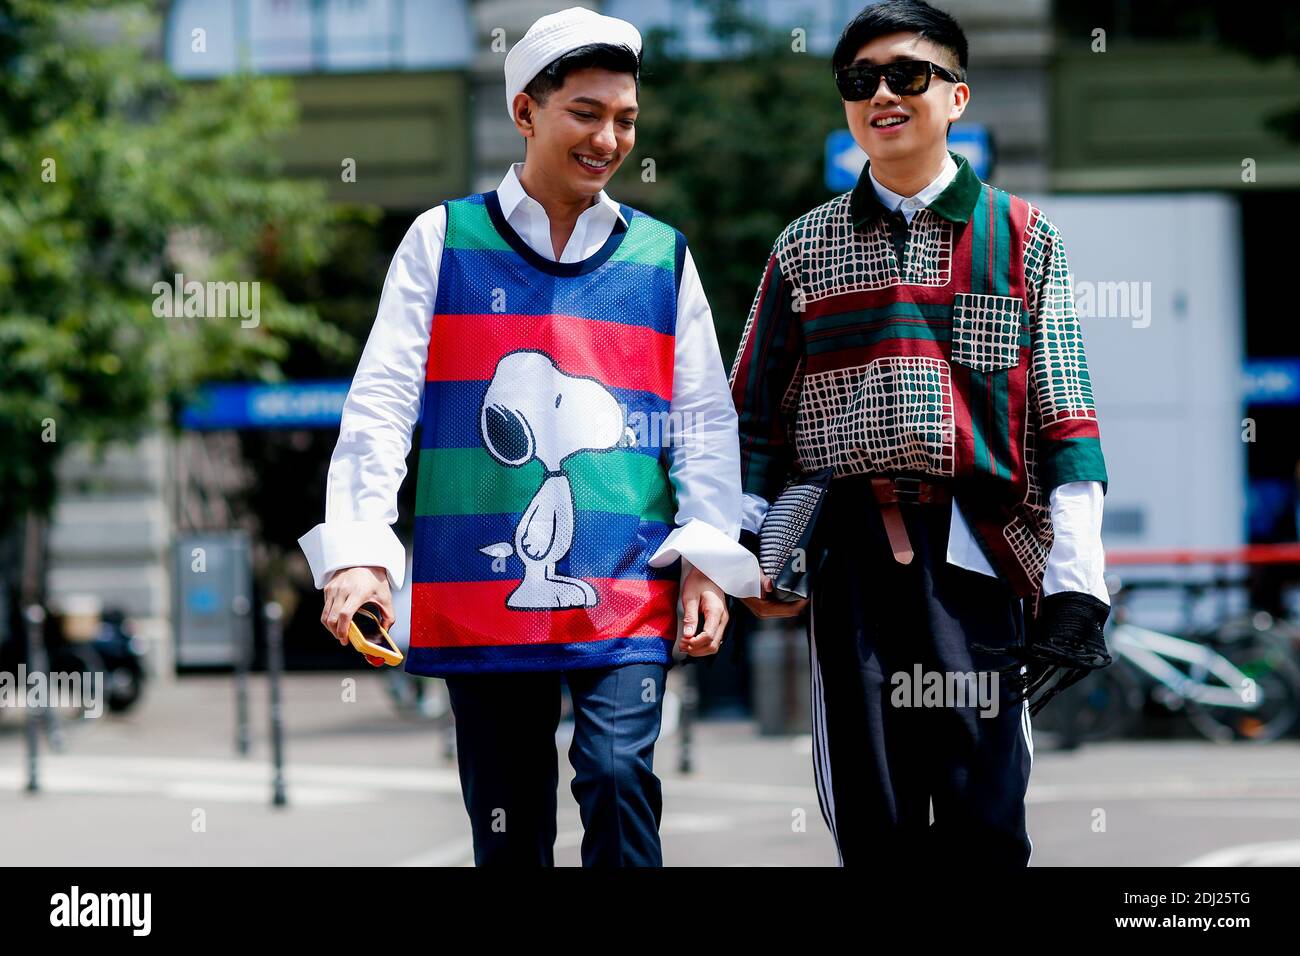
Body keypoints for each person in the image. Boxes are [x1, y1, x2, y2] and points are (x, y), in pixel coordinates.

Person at [298, 7, 759, 867]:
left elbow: (701, 420)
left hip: (627, 577)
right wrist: (361, 550)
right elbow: (383, 404)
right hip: (481, 585)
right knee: (508, 825)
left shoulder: (662, 257)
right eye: (585, 113)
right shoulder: (442, 241)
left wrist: (706, 554)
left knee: (619, 777)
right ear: (525, 113)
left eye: (624, 119)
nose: (609, 138)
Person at [731, 0, 1111, 866]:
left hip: (983, 557)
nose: (882, 96)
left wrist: (1078, 587)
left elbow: (1066, 415)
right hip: (850, 560)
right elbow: (750, 415)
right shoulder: (803, 246)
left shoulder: (1023, 237)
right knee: (876, 826)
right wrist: (750, 548)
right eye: (860, 82)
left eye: (909, 75)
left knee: (986, 822)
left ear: (959, 96)